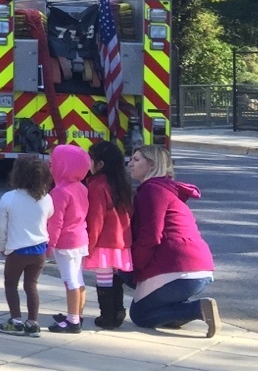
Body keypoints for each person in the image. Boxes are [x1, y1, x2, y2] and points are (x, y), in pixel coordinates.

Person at [127, 145, 219, 337]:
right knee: (151, 309)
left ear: (151, 164)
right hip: (199, 270)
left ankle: (197, 310)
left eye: (136, 160)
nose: (130, 163)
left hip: (179, 271)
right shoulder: (166, 188)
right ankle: (181, 312)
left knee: (140, 315)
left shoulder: (152, 190)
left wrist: (134, 267)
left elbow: (150, 235)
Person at [0, 153, 53, 337]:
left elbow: (1, 226)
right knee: (31, 286)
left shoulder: (9, 198)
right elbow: (49, 215)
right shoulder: (46, 198)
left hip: (17, 250)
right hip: (39, 250)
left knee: (11, 284)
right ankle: (33, 323)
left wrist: (2, 245)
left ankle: (16, 320)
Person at [85, 140, 134, 329]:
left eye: (91, 159)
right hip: (121, 240)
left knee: (103, 280)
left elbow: (95, 219)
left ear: (100, 164)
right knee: (115, 278)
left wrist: (89, 246)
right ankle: (118, 310)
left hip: (103, 241)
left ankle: (107, 316)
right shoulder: (121, 183)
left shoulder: (97, 185)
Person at [45, 143, 92, 333]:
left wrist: (50, 245)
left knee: (69, 280)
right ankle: (77, 315)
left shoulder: (59, 192)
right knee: (78, 279)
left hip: (65, 243)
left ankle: (72, 321)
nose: (50, 166)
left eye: (52, 162)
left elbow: (56, 223)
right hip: (80, 239)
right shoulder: (81, 187)